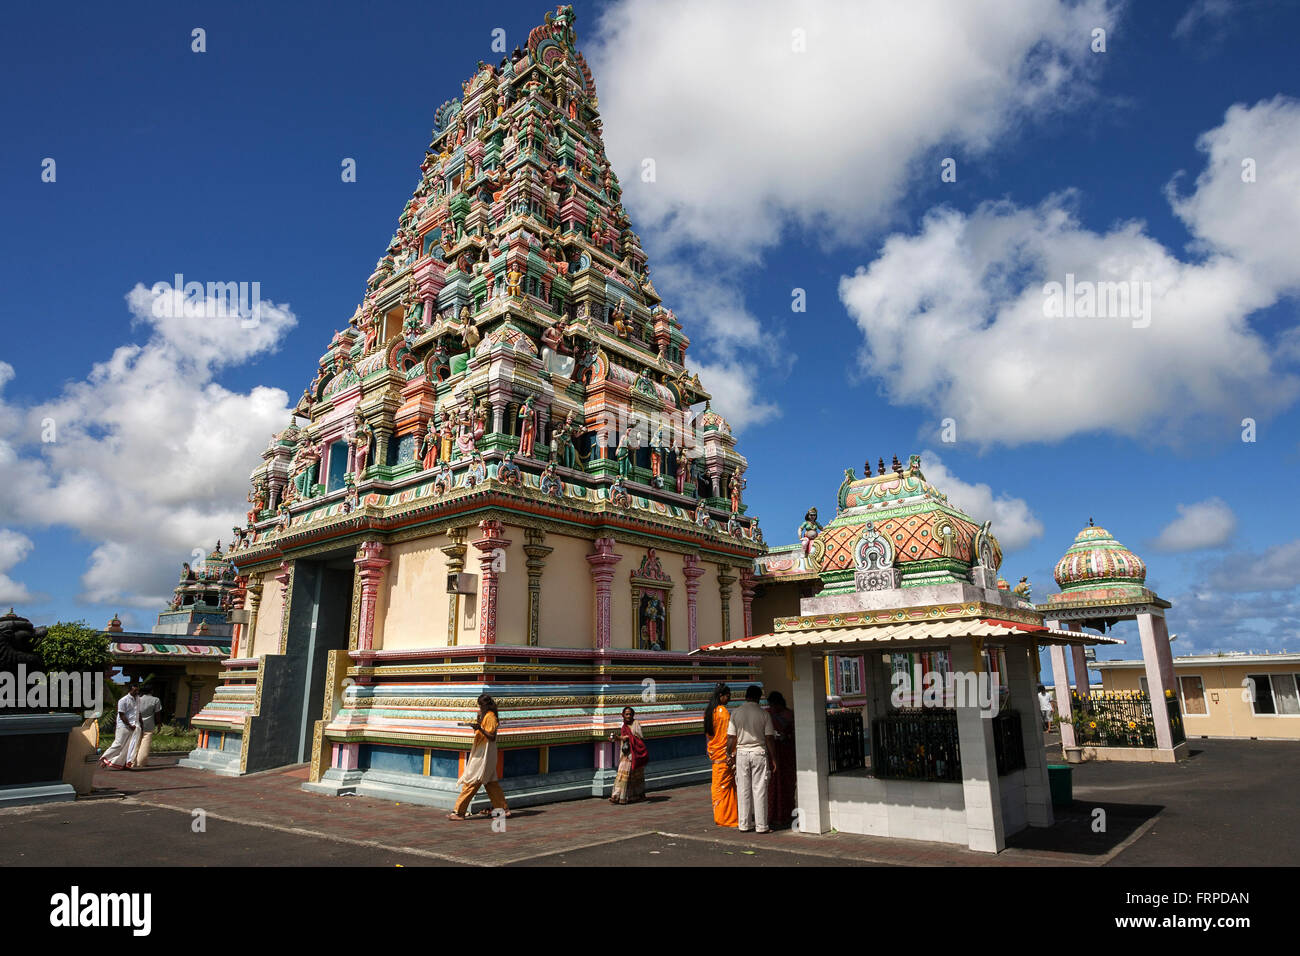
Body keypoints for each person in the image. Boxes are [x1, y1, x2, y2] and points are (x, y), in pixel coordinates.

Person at [448, 694, 511, 821]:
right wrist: (477, 725)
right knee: (490, 781)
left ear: (486, 705)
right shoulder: (484, 716)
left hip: (486, 752)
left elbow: (492, 736)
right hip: (482, 750)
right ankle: (502, 809)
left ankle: (459, 811)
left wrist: (480, 729)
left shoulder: (491, 717)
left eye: (481, 705)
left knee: (472, 779)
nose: (480, 707)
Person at [727, 684, 775, 833]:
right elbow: (769, 738)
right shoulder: (764, 714)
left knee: (743, 790)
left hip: (741, 753)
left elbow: (731, 737)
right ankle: (761, 826)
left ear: (746, 696)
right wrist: (773, 758)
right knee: (759, 790)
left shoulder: (736, 713)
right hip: (758, 752)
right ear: (758, 697)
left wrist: (729, 754)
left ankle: (744, 824)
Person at [704, 683, 737, 827]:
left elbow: (709, 736)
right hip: (724, 756)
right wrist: (731, 753)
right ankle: (726, 818)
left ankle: (723, 816)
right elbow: (728, 736)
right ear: (721, 696)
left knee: (720, 788)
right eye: (727, 696)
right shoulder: (723, 712)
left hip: (715, 755)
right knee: (726, 788)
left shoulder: (709, 711)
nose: (729, 699)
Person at [766, 690, 796, 829]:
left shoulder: (789, 715)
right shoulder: (769, 715)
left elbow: (794, 734)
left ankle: (786, 815)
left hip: (787, 752)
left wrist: (786, 737)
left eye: (773, 705)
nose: (772, 707)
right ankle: (774, 815)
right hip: (775, 751)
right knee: (774, 784)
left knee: (787, 785)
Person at [608, 706, 649, 804]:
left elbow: (638, 737)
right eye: (626, 714)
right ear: (623, 715)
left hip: (634, 753)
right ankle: (617, 796)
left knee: (635, 776)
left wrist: (622, 738)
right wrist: (616, 739)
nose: (628, 716)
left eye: (630, 714)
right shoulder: (624, 726)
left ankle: (637, 795)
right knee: (622, 774)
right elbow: (624, 738)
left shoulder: (636, 724)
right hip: (626, 754)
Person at [100, 684, 141, 770]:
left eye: (137, 690)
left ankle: (122, 764)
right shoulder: (123, 700)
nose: (136, 692)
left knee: (128, 746)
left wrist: (140, 724)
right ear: (130, 690)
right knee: (118, 744)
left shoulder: (138, 699)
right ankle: (105, 758)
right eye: (135, 691)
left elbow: (138, 713)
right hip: (124, 726)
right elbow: (121, 715)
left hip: (134, 726)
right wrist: (129, 725)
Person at [131, 685, 162, 768]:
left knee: (135, 743)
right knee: (145, 743)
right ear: (151, 691)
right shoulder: (155, 700)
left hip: (137, 723)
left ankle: (131, 761)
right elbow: (157, 713)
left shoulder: (137, 699)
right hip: (149, 724)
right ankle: (141, 762)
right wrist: (159, 723)